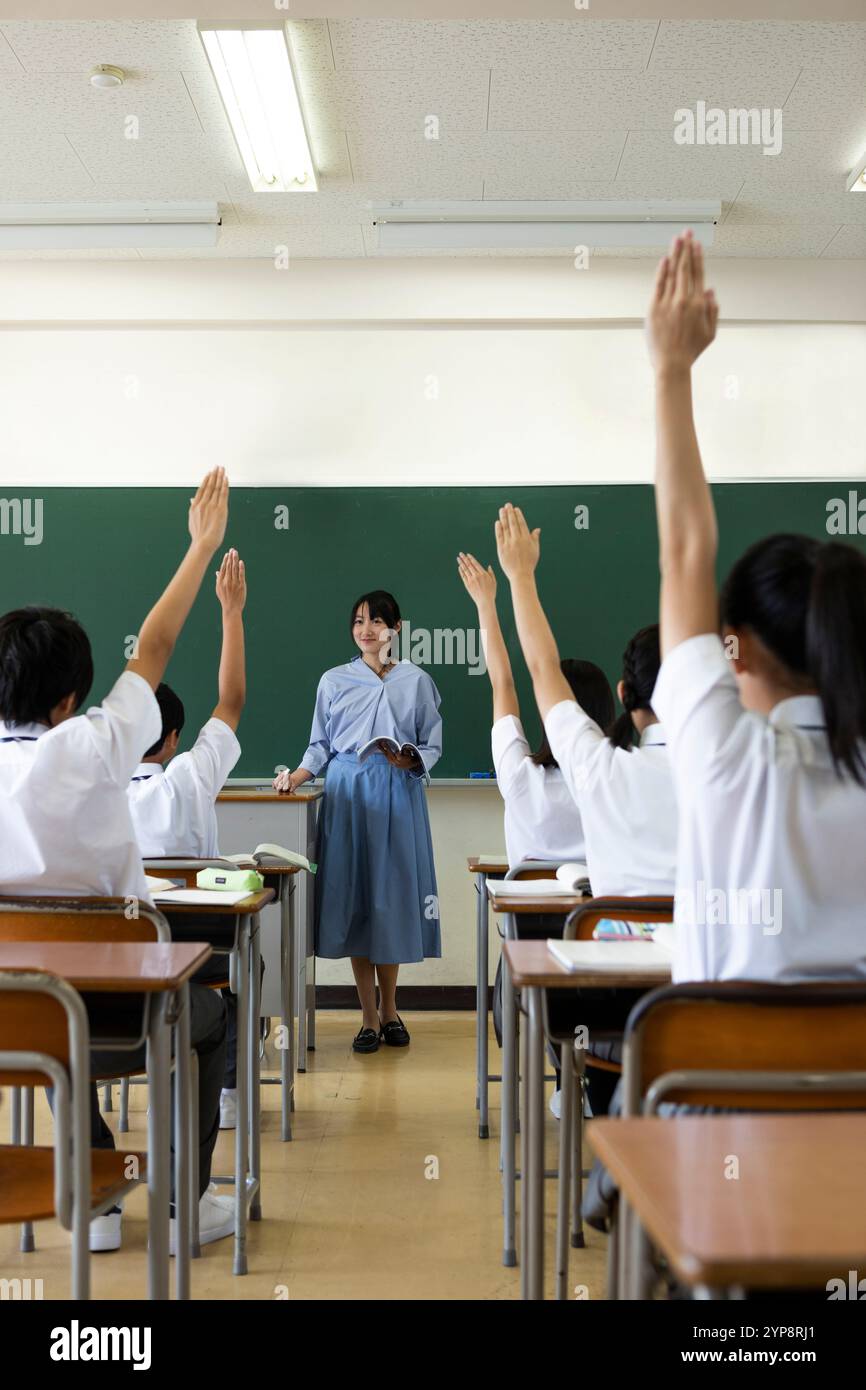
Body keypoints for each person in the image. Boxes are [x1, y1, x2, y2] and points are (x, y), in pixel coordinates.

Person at [0, 467, 235, 1253]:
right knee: (213, 1018)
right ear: (69, 700)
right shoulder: (90, 743)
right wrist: (200, 548)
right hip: (126, 1014)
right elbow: (157, 645)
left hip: (12, 1021)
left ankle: (97, 1201)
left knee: (50, 1015)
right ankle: (182, 1207)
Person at [273, 590, 442, 1053]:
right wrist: (297, 776)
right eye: (358, 622)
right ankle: (368, 1016)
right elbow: (320, 746)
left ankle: (391, 1009)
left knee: (391, 900)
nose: (366, 630)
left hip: (398, 793)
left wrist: (412, 762)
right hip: (348, 794)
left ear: (396, 628)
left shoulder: (417, 680)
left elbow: (431, 743)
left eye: (377, 621)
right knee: (358, 900)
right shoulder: (334, 680)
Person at [129, 547, 248, 1129]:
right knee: (236, 982)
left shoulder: (94, 785)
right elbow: (231, 701)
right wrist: (231, 612)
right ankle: (226, 1094)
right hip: (196, 958)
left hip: (115, 972)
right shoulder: (187, 777)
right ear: (173, 737)